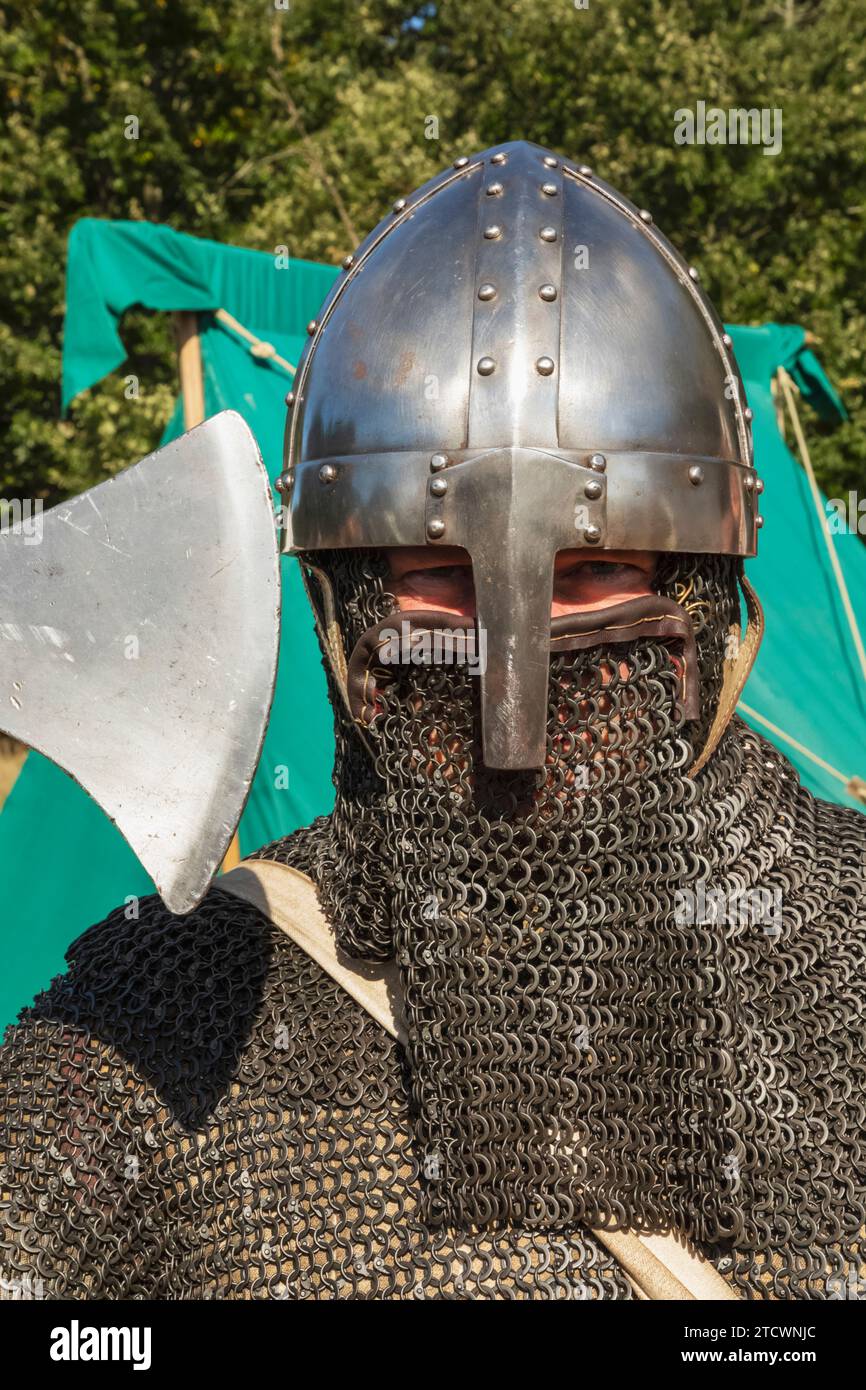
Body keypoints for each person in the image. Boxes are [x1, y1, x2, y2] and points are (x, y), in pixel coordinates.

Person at [0, 142, 862, 1301]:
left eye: (595, 567)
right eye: (436, 575)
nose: (517, 677)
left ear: (706, 597)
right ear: (339, 610)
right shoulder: (164, 1028)